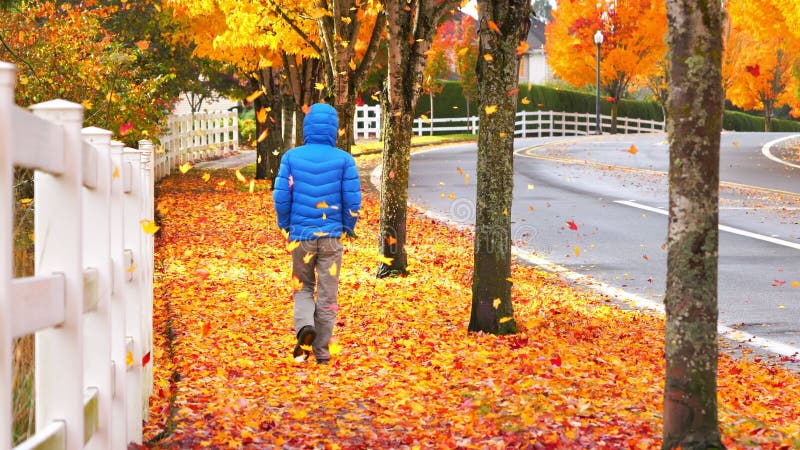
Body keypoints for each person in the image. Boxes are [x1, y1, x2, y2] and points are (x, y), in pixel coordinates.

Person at [272, 103, 361, 364]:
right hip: (332, 236)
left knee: (302, 289)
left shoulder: (291, 157)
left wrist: (286, 224)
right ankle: (321, 353)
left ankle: (304, 328)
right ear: (334, 129)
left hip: (301, 236)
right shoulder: (344, 159)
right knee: (327, 295)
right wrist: (348, 226)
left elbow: (281, 196)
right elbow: (353, 200)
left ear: (306, 127)